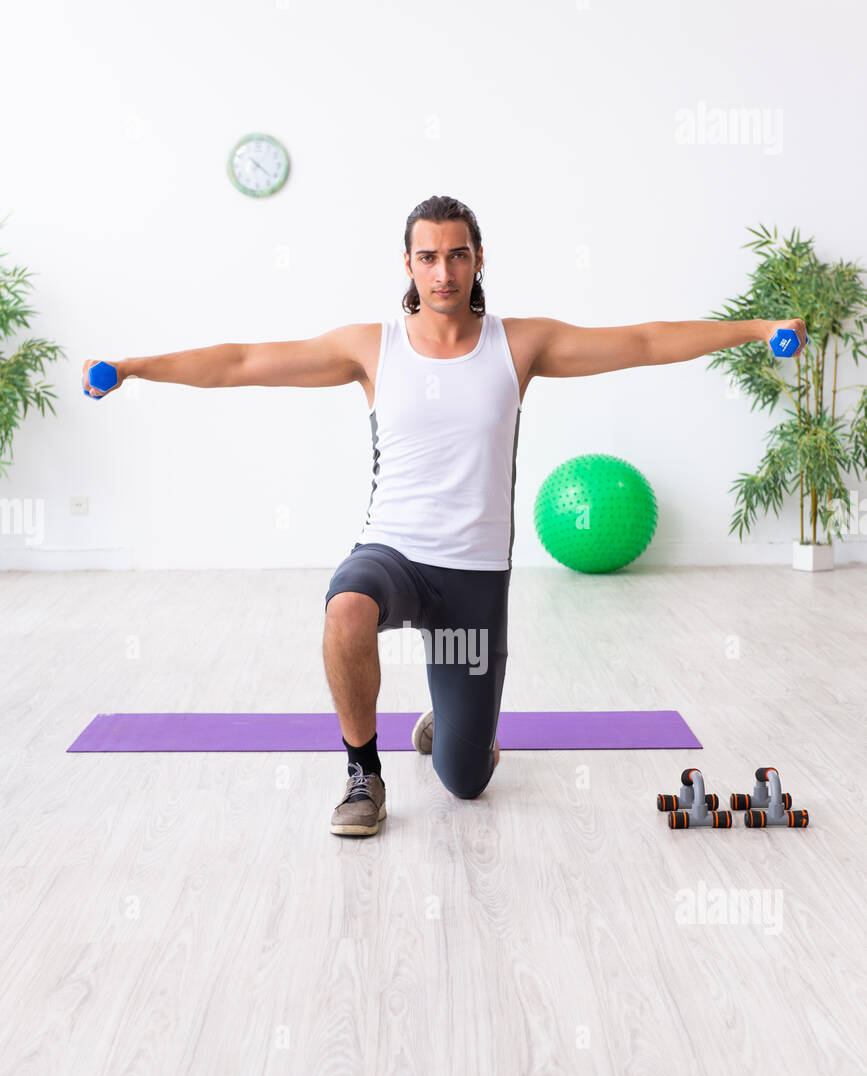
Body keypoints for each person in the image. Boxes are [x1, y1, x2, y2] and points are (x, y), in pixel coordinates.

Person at [83, 193, 806, 838]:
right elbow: (242, 361)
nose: (442, 272)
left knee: (465, 782)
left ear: (477, 259)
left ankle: (456, 727)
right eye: (427, 256)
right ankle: (362, 772)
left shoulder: (518, 344)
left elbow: (643, 342)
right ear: (407, 262)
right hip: (391, 553)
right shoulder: (372, 347)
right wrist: (137, 366)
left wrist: (752, 329)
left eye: (456, 255)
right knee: (345, 608)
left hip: (472, 578)